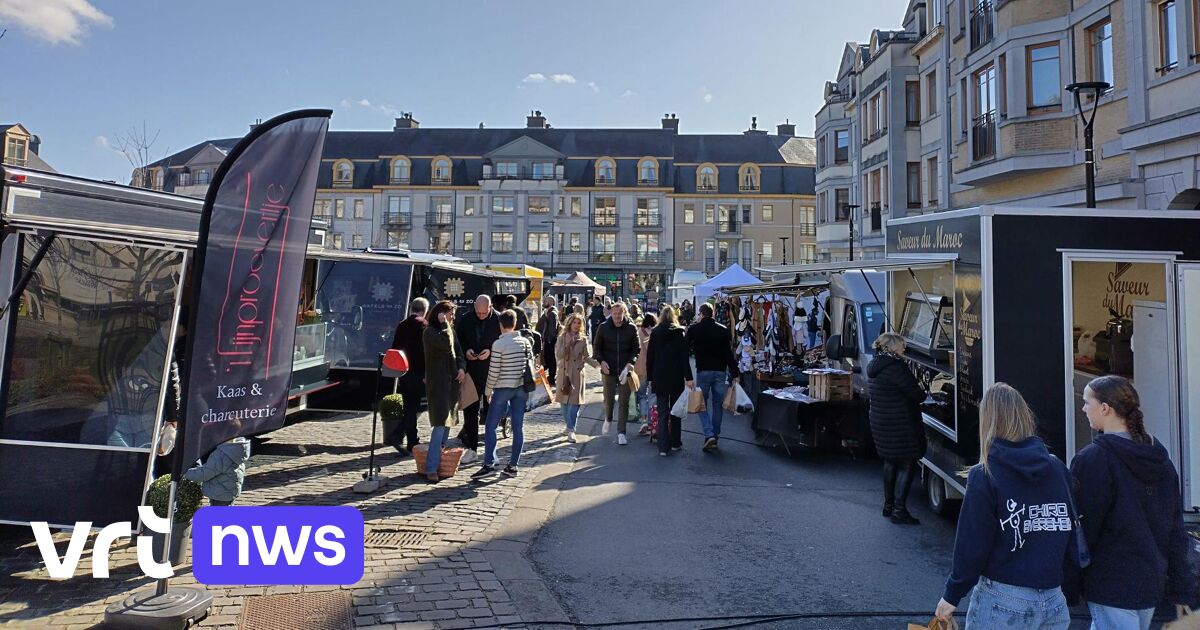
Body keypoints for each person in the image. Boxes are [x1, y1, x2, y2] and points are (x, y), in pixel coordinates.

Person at [935, 383, 1080, 630]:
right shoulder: (1056, 468)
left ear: (987, 422)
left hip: (1003, 599)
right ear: (1025, 417)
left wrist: (951, 595)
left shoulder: (985, 475)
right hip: (1054, 598)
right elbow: (1067, 531)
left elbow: (972, 544)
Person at [1069, 376, 1195, 630]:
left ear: (1105, 408)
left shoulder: (1093, 460)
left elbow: (1083, 527)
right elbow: (1175, 530)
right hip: (1150, 581)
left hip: (1110, 581)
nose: (1083, 408)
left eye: (1086, 402)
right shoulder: (1160, 460)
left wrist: (1072, 578)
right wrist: (1183, 588)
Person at [867, 332, 928, 524]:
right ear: (893, 347)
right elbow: (917, 395)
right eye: (902, 345)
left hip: (880, 422)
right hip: (900, 424)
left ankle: (888, 505)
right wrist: (925, 390)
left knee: (890, 461)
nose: (904, 349)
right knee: (907, 463)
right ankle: (900, 509)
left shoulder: (875, 365)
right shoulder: (896, 368)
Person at [472, 310, 534, 479]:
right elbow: (530, 365)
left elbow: (494, 371)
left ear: (500, 325)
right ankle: (513, 465)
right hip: (521, 388)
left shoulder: (498, 345)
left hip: (503, 388)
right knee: (518, 428)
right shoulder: (525, 342)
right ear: (515, 323)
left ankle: (489, 463)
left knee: (491, 426)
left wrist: (487, 391)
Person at [422, 300, 466, 483]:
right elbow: (446, 345)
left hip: (451, 384)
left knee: (448, 423)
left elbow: (458, 351)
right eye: (450, 314)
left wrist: (462, 368)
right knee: (440, 423)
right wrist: (444, 324)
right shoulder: (430, 332)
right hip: (439, 384)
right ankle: (431, 467)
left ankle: (440, 460)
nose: (453, 318)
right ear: (441, 314)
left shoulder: (450, 330)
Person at [686, 303, 740, 451]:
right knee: (718, 405)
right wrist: (735, 373)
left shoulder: (694, 329)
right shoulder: (722, 330)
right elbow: (729, 354)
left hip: (703, 370)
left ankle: (709, 433)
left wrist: (687, 375)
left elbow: (685, 350)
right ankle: (714, 436)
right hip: (720, 372)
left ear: (701, 314)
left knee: (701, 403)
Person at [454, 295, 501, 464]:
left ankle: (490, 450)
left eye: (484, 313)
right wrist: (466, 351)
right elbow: (458, 342)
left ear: (490, 307)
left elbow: (501, 343)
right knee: (470, 411)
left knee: (491, 412)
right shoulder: (466, 319)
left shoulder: (498, 319)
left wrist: (490, 351)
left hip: (491, 372)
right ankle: (472, 448)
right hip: (471, 372)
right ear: (474, 306)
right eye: (478, 312)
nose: (481, 315)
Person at [592, 301, 640, 444]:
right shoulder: (603, 327)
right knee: (609, 399)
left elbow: (636, 349)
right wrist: (602, 361)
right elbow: (596, 348)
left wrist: (631, 363)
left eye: (620, 314)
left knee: (624, 402)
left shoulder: (631, 328)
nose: (617, 317)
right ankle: (608, 418)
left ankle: (621, 432)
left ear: (624, 313)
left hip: (625, 370)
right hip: (608, 369)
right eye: (614, 314)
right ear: (611, 314)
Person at [647, 306, 690, 456]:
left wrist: (649, 377)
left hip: (659, 376)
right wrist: (689, 378)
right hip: (675, 376)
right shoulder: (679, 332)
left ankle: (663, 446)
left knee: (662, 412)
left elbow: (650, 357)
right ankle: (675, 442)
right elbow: (684, 357)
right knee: (675, 411)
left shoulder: (655, 333)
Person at [388, 297, 429, 456]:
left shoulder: (402, 325)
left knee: (410, 407)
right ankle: (406, 438)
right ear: (425, 310)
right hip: (419, 372)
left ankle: (404, 437)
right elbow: (425, 352)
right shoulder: (424, 325)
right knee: (415, 407)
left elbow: (395, 348)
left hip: (404, 372)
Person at [555, 313, 595, 443]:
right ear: (570, 323)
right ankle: (569, 427)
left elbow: (586, 356)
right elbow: (559, 355)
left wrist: (597, 364)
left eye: (579, 323)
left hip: (577, 374)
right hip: (564, 373)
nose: (577, 325)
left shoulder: (583, 339)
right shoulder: (562, 337)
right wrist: (566, 344)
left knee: (575, 403)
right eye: (574, 323)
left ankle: (571, 429)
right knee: (564, 402)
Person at [184, 436, 251, 506]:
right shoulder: (238, 448)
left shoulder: (221, 455)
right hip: (230, 491)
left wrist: (186, 473)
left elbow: (205, 473)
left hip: (220, 494)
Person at [634, 313, 657, 437]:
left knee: (642, 395)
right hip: (653, 368)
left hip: (640, 368)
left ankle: (643, 420)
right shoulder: (656, 333)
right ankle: (652, 421)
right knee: (653, 395)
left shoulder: (638, 332)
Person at [536, 296, 561, 387]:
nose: (543, 302)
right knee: (547, 359)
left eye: (545, 301)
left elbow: (552, 329)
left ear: (550, 302)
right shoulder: (547, 312)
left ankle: (551, 378)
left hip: (550, 341)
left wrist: (549, 339)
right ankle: (548, 377)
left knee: (551, 360)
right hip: (547, 340)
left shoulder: (552, 313)